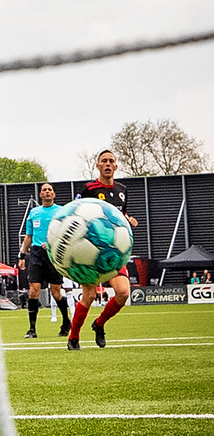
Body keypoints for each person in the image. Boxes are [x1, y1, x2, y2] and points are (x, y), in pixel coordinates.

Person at [66, 150, 138, 350]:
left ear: (116, 166)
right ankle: (74, 337)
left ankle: (99, 324)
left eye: (111, 161)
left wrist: (128, 220)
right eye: (104, 161)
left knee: (123, 292)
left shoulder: (122, 190)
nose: (108, 164)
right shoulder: (88, 188)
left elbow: (121, 215)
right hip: (89, 251)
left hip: (113, 252)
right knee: (88, 295)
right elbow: (73, 212)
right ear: (97, 166)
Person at [17, 183, 72, 339]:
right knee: (33, 290)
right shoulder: (34, 213)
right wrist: (22, 256)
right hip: (36, 254)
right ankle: (32, 329)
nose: (47, 192)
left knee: (56, 292)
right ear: (40, 195)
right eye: (44, 190)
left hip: (54, 254)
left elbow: (67, 233)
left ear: (54, 194)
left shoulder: (61, 211)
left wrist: (51, 242)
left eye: (50, 190)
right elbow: (28, 236)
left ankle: (66, 321)